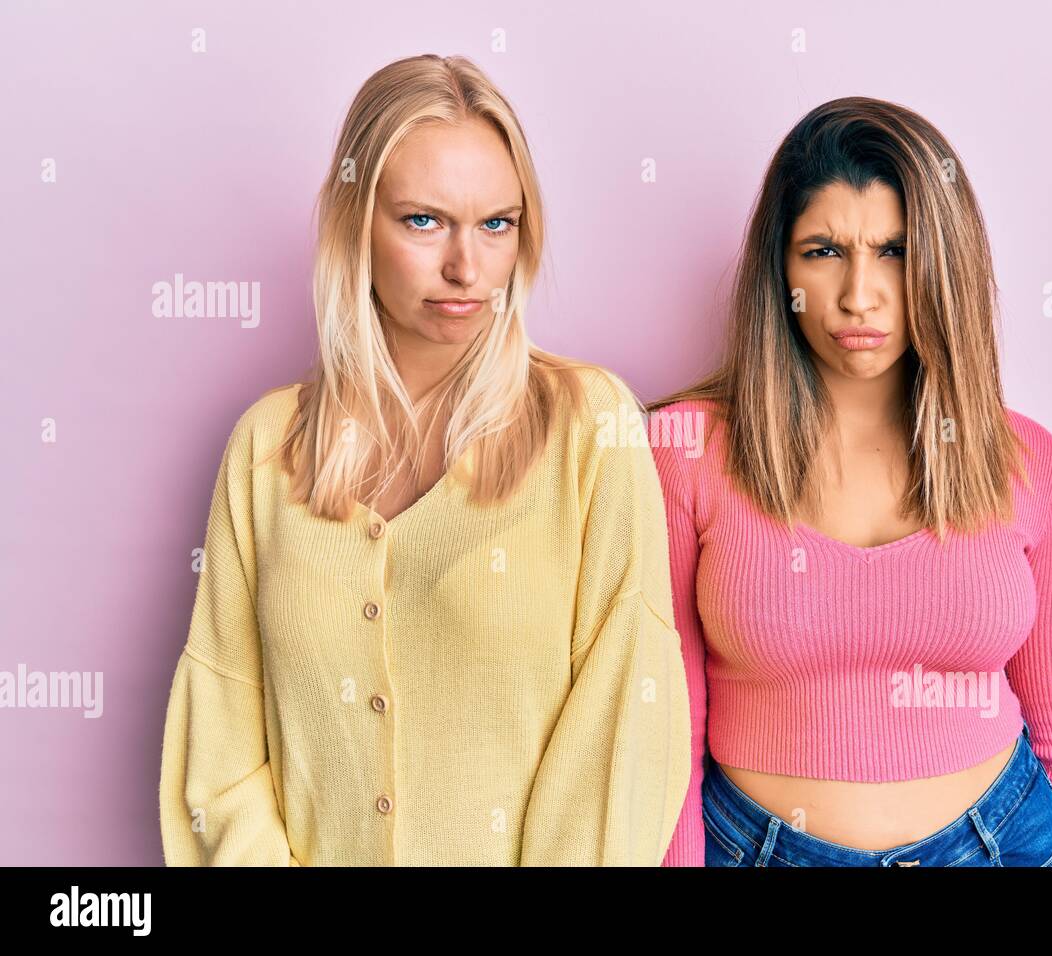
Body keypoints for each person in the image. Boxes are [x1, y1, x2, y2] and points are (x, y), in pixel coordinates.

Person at [159, 54, 690, 866]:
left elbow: (624, 735)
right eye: (423, 221)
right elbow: (219, 754)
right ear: (355, 225)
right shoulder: (265, 450)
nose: (465, 268)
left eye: (496, 224)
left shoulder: (591, 429)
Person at [650, 96, 1052, 867]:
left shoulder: (1027, 461)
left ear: (944, 263)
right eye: (824, 251)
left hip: (1005, 843)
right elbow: (666, 724)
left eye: (896, 251)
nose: (859, 295)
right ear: (780, 267)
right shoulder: (686, 453)